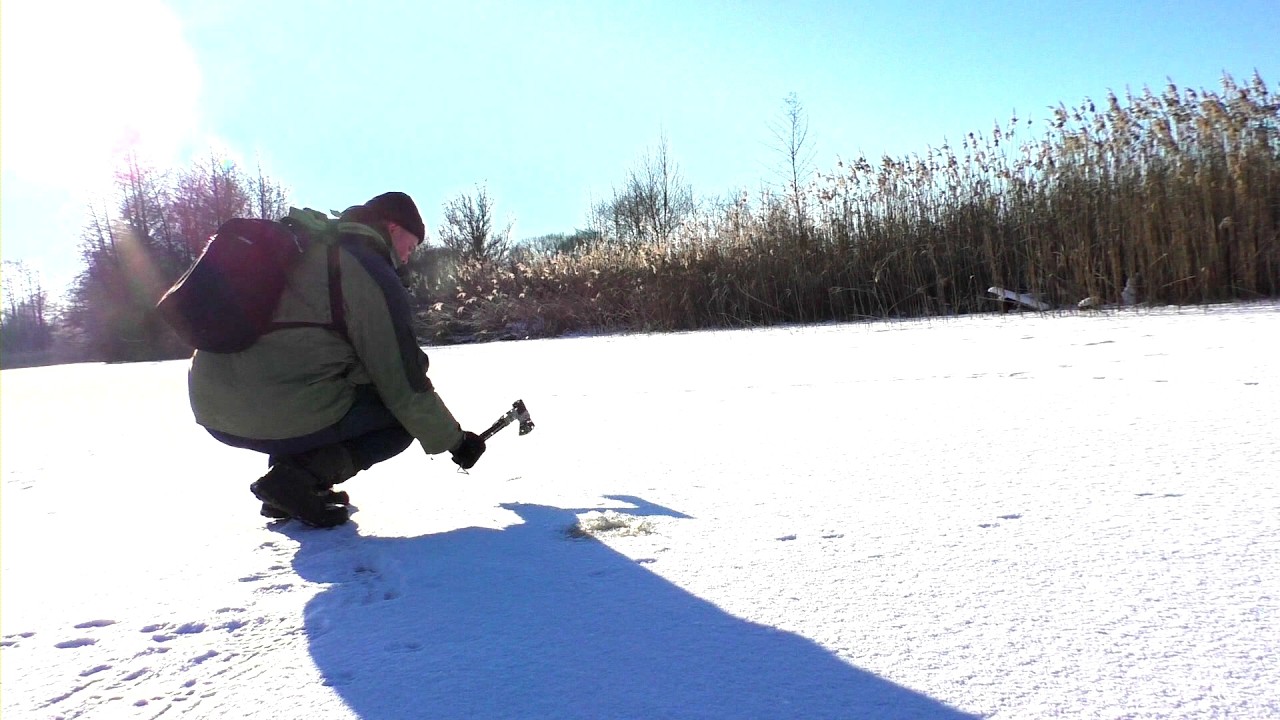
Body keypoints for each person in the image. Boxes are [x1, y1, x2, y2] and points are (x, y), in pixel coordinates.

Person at [187, 191, 486, 528]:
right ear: (392, 227)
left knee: (319, 383)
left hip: (213, 409)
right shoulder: (366, 267)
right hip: (271, 408)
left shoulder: (307, 249)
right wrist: (455, 442)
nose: (406, 258)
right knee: (396, 419)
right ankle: (296, 482)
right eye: (410, 246)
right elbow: (403, 381)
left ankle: (289, 492)